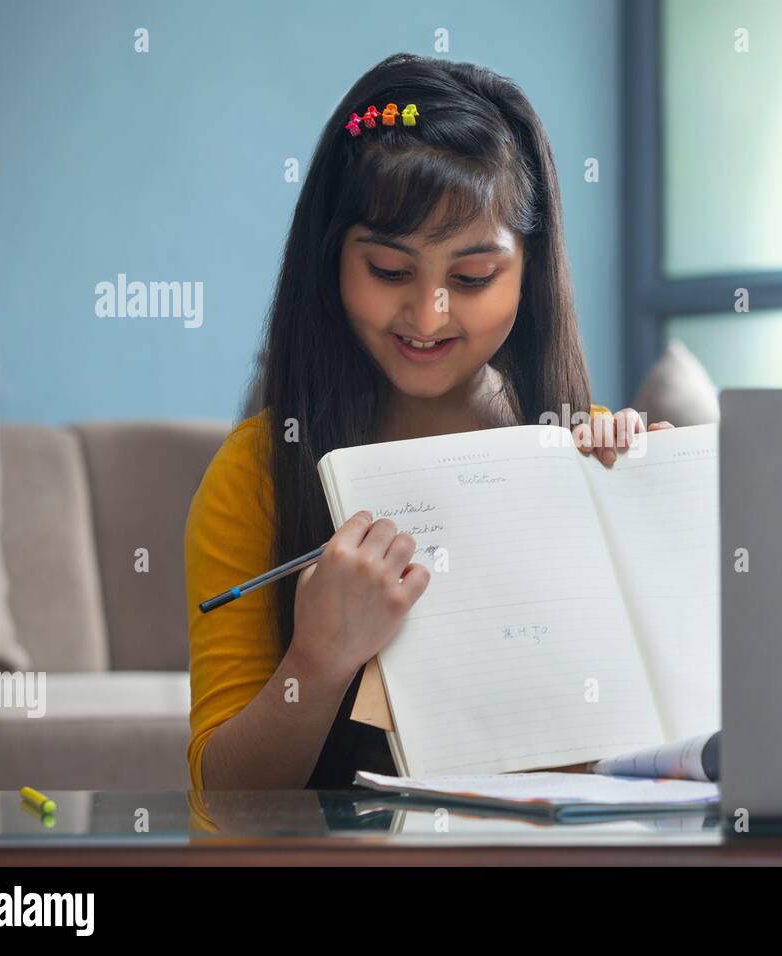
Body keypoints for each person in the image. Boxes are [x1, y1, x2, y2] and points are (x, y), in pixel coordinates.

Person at [185, 53, 671, 791]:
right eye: (389, 270)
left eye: (472, 278)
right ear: (332, 263)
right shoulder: (257, 473)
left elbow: (680, 732)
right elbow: (222, 795)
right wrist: (318, 659)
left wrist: (663, 518)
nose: (428, 315)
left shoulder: (586, 449)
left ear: (529, 269)